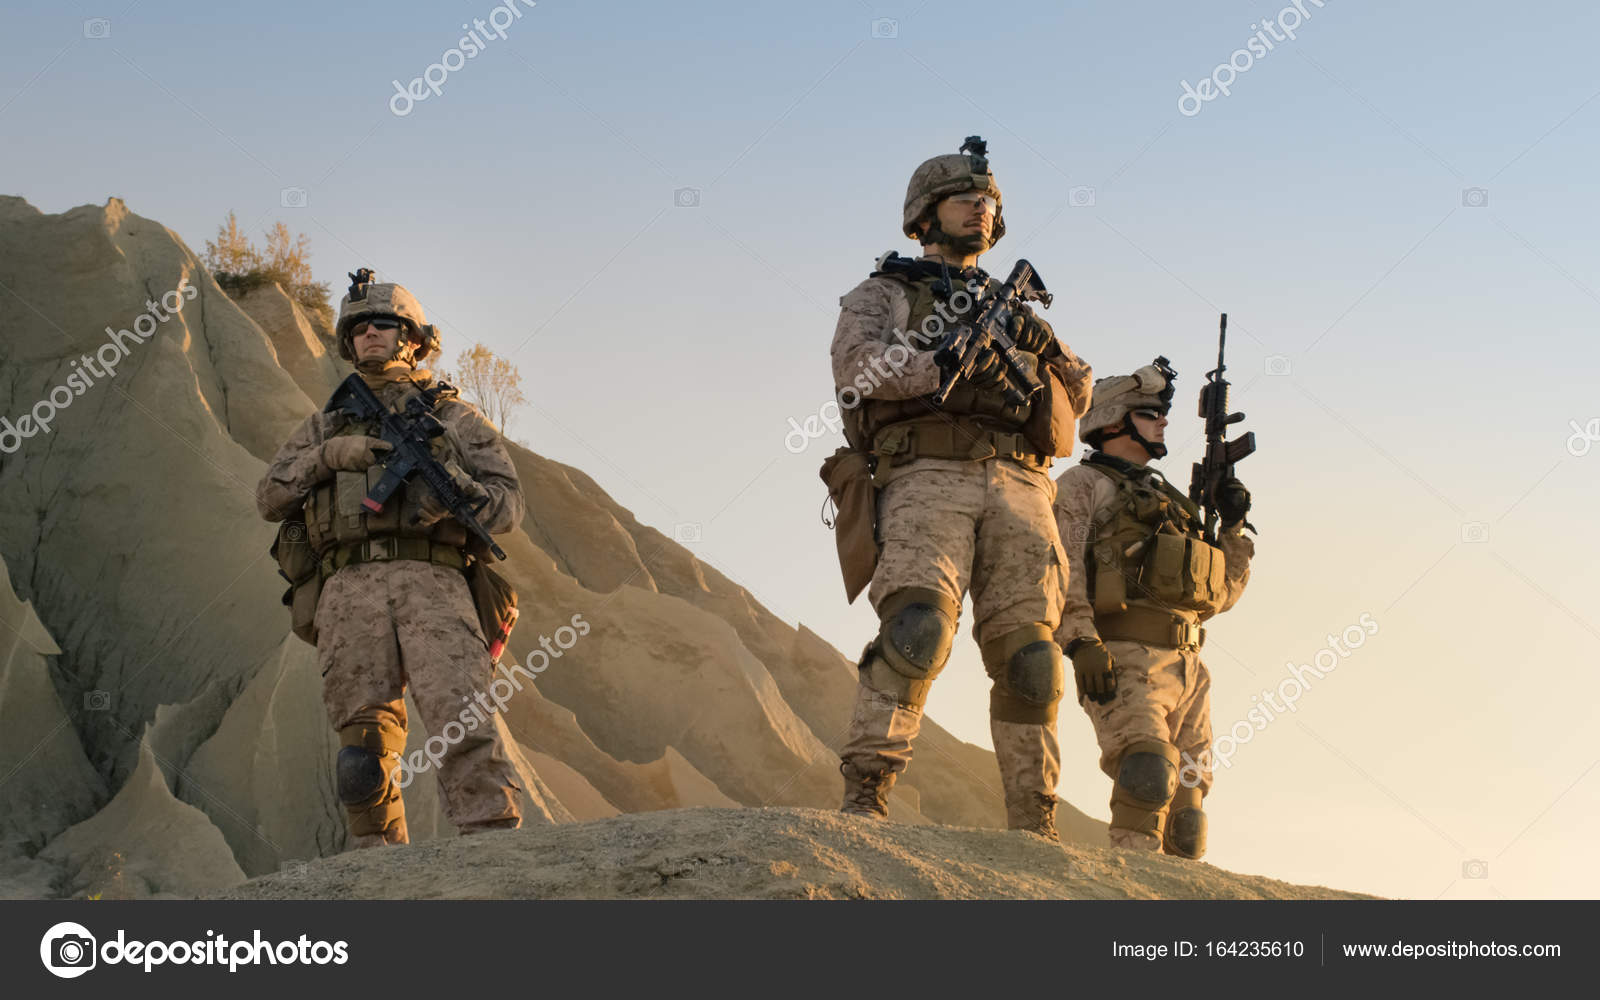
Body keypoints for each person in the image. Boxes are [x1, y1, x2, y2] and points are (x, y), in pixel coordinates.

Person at [828, 137, 1093, 838]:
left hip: (1023, 484)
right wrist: (938, 362)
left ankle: (1034, 824)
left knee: (1032, 657)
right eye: (964, 198)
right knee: (917, 628)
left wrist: (1042, 353)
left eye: (989, 201)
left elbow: (1082, 395)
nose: (980, 208)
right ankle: (867, 794)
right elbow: (856, 368)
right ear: (925, 212)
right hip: (926, 473)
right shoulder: (883, 292)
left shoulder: (1016, 308)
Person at [256, 269, 526, 847]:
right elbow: (270, 496)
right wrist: (328, 456)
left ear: (412, 338)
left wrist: (451, 489)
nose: (369, 334)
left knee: (464, 724)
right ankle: (379, 869)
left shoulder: (455, 420)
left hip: (434, 580)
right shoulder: (323, 423)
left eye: (384, 323)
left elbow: (507, 508)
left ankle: (498, 852)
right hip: (347, 587)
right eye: (358, 328)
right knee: (362, 753)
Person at [1052, 360, 1254, 858]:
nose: (1163, 422)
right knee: (1145, 771)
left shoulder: (1173, 503)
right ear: (1115, 420)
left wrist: (1233, 525)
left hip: (1189, 666)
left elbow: (1220, 595)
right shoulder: (1082, 484)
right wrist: (1079, 641)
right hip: (1122, 654)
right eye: (1151, 413)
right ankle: (1130, 883)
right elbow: (1059, 569)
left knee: (1188, 813)